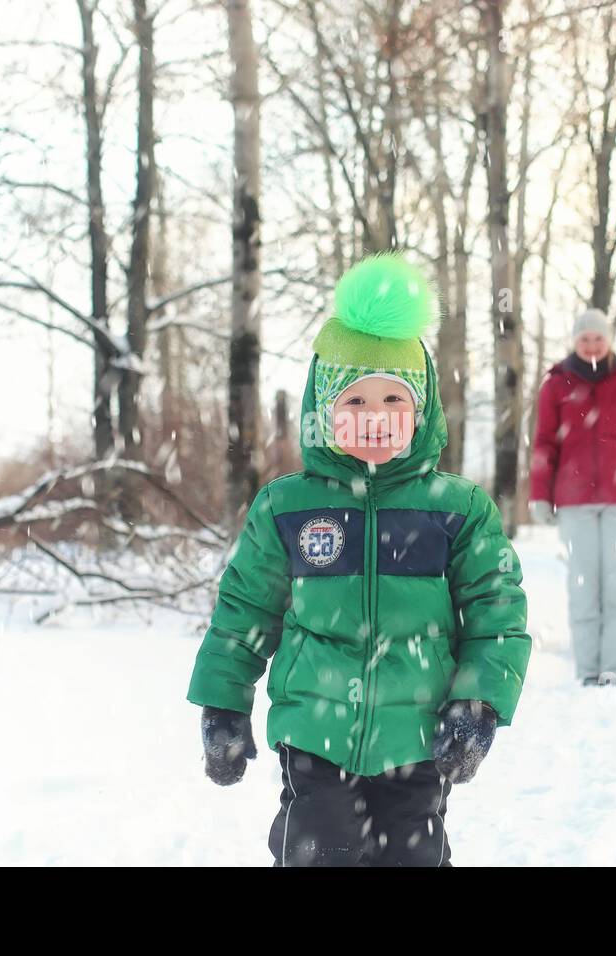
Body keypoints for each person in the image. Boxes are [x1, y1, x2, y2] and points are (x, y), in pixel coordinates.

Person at [187, 252, 531, 866]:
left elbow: (496, 614)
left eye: (394, 401)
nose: (375, 420)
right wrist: (224, 701)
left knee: (411, 858)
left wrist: (477, 706)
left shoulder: (458, 509)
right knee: (319, 854)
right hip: (314, 734)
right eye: (355, 403)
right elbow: (246, 610)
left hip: (418, 739)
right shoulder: (287, 507)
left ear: (420, 411)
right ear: (324, 410)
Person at [528, 308, 616, 686]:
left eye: (598, 338)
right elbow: (543, 442)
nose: (591, 345)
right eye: (585, 338)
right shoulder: (556, 384)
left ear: (609, 341)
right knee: (584, 587)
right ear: (575, 341)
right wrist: (540, 494)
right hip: (575, 503)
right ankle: (589, 671)